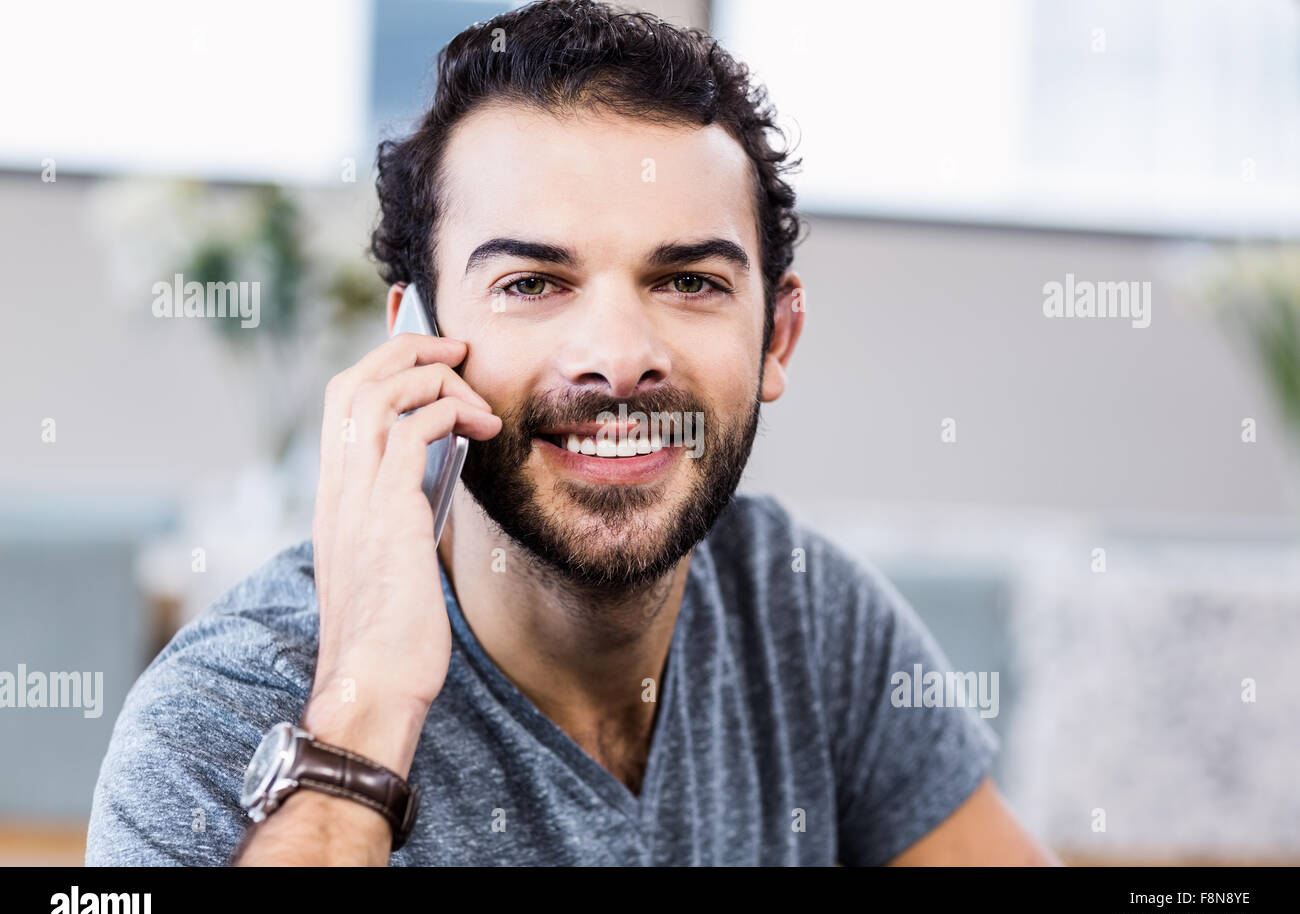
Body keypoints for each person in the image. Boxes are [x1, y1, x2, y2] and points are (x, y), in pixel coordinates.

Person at [86, 0, 1057, 866]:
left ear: (778, 336)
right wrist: (358, 717)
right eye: (532, 284)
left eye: (689, 282)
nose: (618, 356)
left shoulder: (806, 617)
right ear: (418, 344)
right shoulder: (216, 723)